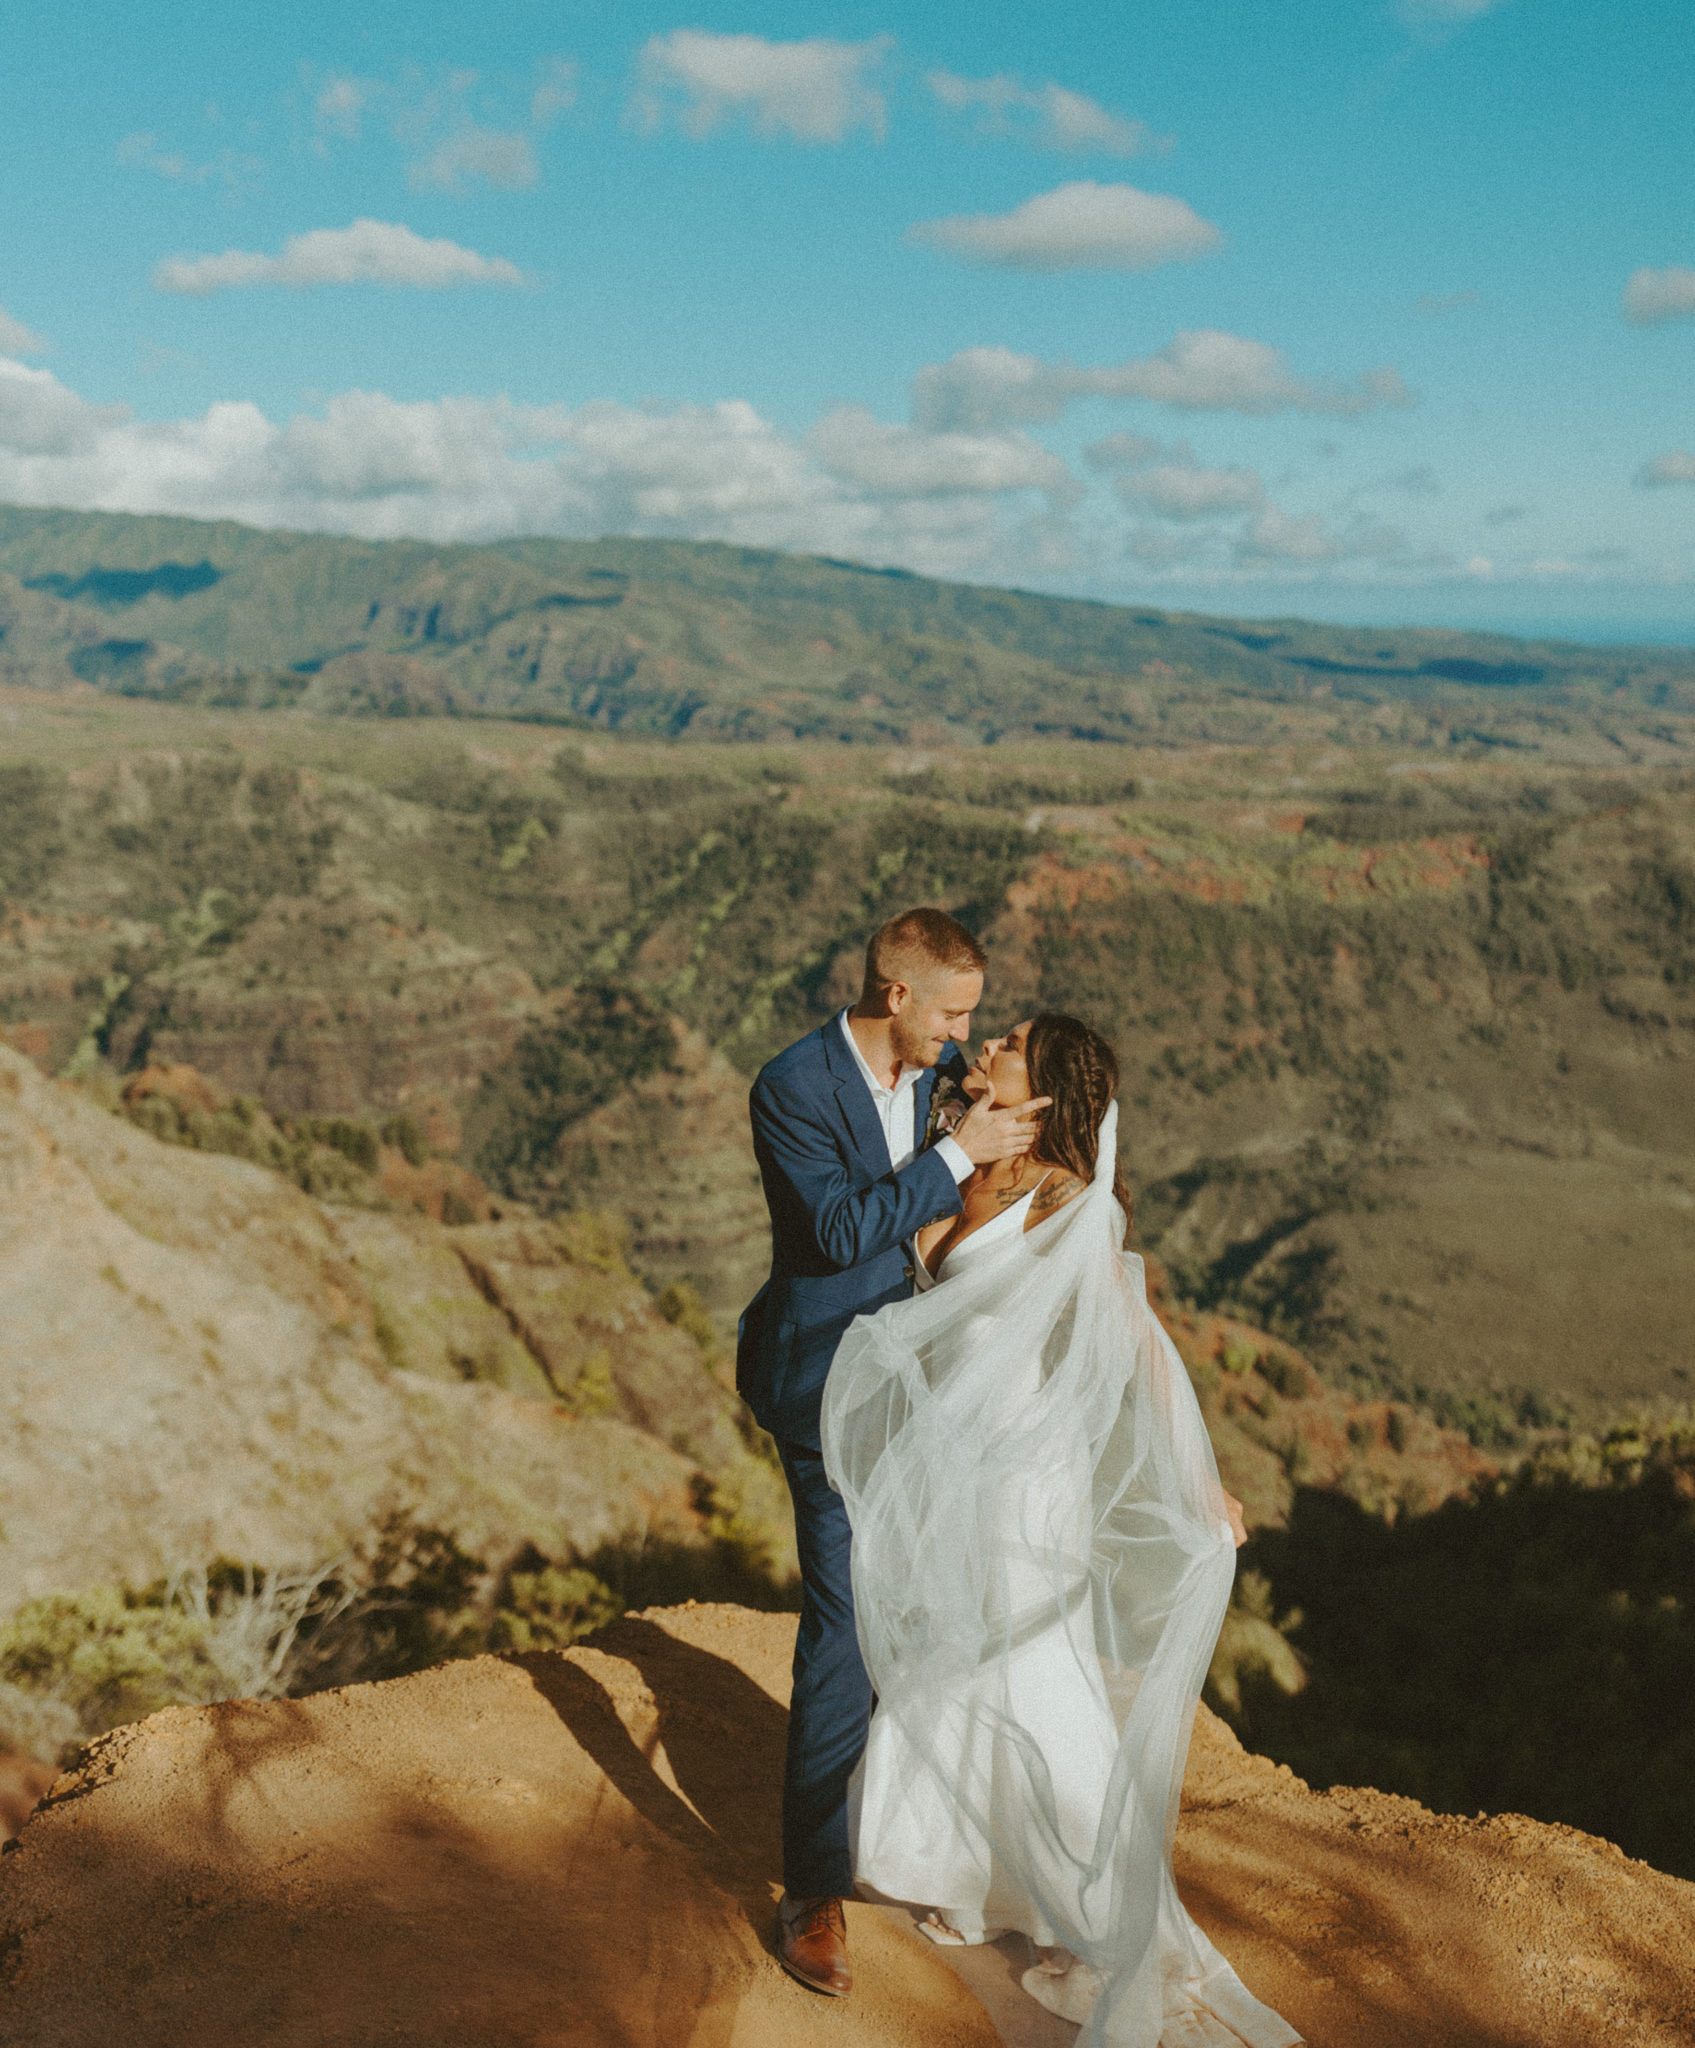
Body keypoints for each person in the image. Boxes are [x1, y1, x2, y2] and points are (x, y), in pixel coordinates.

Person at [822, 1015, 1302, 2048]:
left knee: (1023, 1661)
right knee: (956, 1646)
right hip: (951, 1450)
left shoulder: (1067, 1199)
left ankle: (1087, 1901)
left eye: (1011, 1039)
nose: (989, 1037)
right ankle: (961, 1864)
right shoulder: (971, 1156)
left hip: (1018, 1471)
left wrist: (1197, 1482)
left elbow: (1138, 1341)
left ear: (1043, 1088)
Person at [737, 907, 1049, 1998]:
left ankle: (911, 1824)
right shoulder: (789, 1085)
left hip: (927, 1375)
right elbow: (831, 1231)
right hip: (825, 1383)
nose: (966, 1032)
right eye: (953, 1012)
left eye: (974, 1014)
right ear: (897, 995)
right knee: (845, 1618)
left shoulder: (941, 1063)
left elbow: (979, 1133)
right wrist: (963, 1151)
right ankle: (811, 1887)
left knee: (933, 1594)